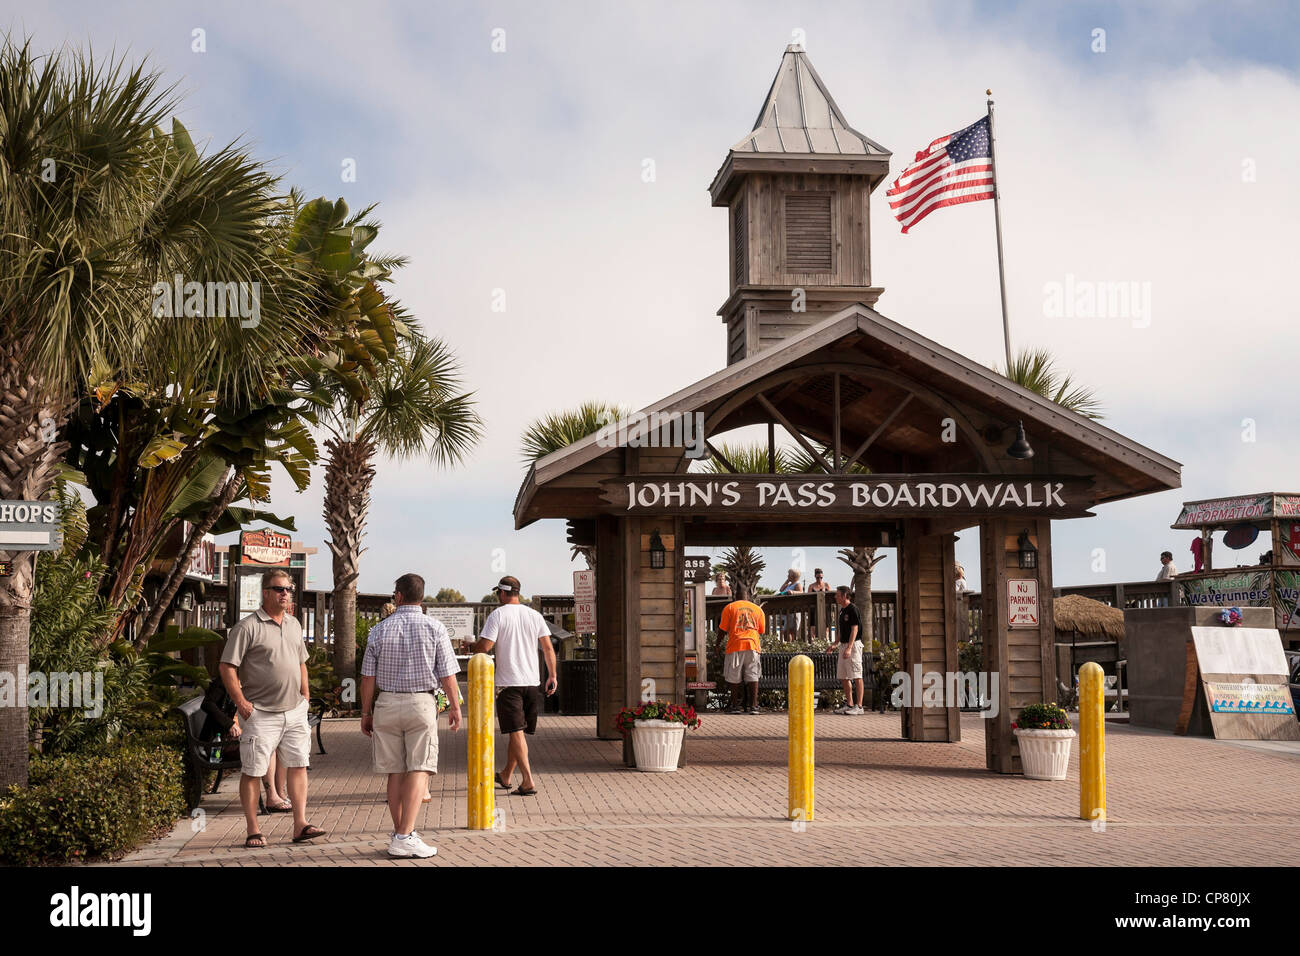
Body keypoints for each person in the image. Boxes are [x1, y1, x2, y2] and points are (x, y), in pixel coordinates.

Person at [219, 570, 325, 848]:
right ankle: (253, 829)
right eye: (279, 589)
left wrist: (306, 694)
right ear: (265, 592)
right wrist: (241, 703)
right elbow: (227, 666)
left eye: (288, 589)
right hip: (261, 713)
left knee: (299, 765)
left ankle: (300, 824)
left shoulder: (293, 624)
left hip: (294, 711)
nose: (285, 594)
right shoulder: (247, 627)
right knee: (253, 771)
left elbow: (301, 661)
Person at [360, 573, 462, 859]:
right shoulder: (435, 628)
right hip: (421, 703)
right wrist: (454, 706)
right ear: (422, 596)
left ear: (399, 596)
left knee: (395, 770)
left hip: (387, 703)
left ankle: (399, 833)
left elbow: (368, 677)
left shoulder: (379, 631)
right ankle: (406, 835)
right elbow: (447, 674)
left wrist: (365, 712)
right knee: (419, 766)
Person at [474, 576, 557, 796]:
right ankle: (506, 775)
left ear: (502, 593)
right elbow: (548, 648)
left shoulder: (498, 615)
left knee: (516, 732)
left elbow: (486, 646)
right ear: (517, 592)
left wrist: (471, 645)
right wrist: (553, 676)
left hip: (508, 684)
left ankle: (528, 780)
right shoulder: (534, 615)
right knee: (516, 731)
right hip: (532, 682)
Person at [715, 585, 765, 714]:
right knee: (753, 675)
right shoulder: (757, 609)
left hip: (735, 645)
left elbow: (722, 630)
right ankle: (754, 706)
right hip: (753, 645)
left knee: (734, 677)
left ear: (735, 595)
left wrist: (717, 645)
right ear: (748, 595)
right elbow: (761, 630)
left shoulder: (730, 607)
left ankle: (735, 706)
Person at [832, 586, 864, 714]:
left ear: (845, 596)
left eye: (837, 595)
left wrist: (850, 648)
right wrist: (835, 644)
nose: (835, 597)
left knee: (856, 675)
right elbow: (842, 630)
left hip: (853, 646)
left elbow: (854, 629)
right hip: (843, 645)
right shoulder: (842, 610)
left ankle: (859, 707)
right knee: (844, 677)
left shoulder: (853, 609)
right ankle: (850, 704)